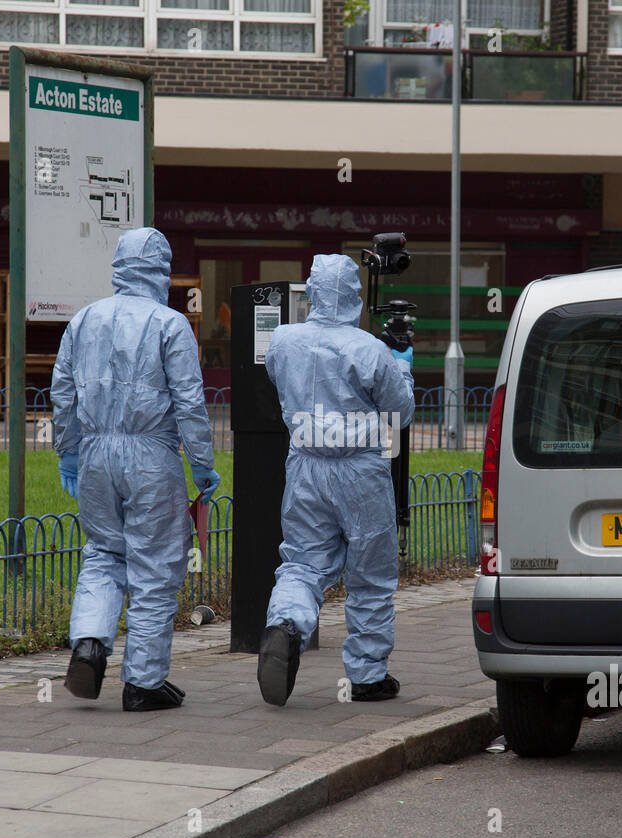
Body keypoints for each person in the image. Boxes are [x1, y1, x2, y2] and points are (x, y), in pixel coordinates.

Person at [50, 227, 221, 712]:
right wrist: (204, 466)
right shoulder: (170, 325)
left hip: (96, 455)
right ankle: (143, 683)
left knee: (104, 553)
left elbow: (62, 393)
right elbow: (190, 402)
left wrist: (69, 451)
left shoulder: (83, 320)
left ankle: (89, 644)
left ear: (119, 268)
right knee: (155, 564)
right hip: (152, 456)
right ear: (162, 272)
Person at [258, 253, 415, 706]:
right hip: (361, 468)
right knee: (370, 573)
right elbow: (399, 412)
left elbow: (278, 381)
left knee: (303, 563)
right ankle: (366, 676)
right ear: (355, 297)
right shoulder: (369, 349)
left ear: (312, 291)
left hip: (305, 465)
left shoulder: (283, 340)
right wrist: (401, 360)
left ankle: (286, 625)